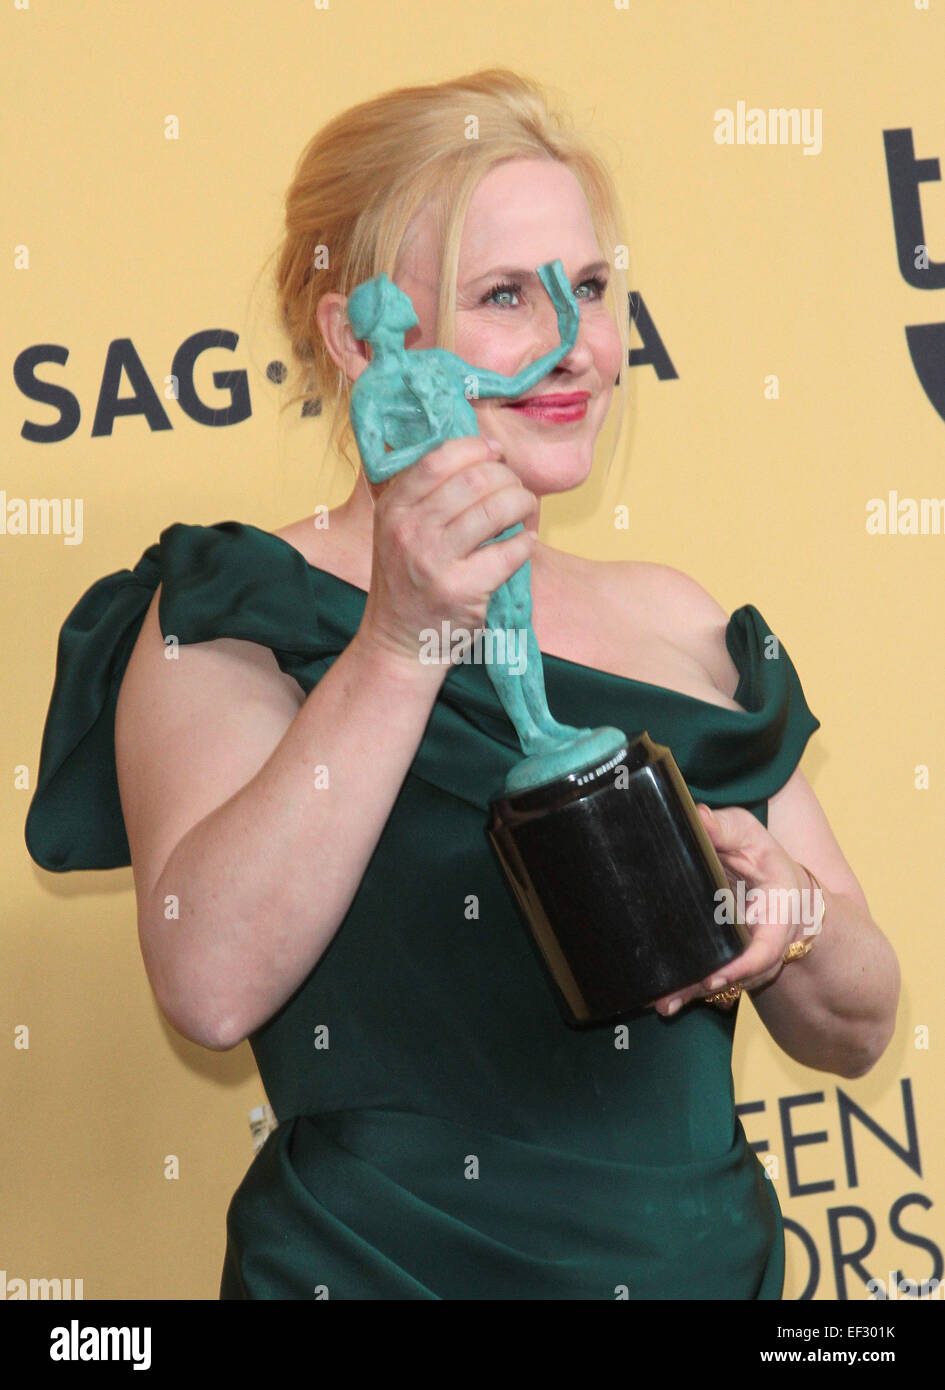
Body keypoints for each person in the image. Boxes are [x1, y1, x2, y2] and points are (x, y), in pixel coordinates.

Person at [24, 68, 900, 1300]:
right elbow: (209, 985)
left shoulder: (680, 619)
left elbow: (859, 1025)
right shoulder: (239, 607)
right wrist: (402, 637)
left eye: (588, 289)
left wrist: (789, 916)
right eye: (501, 296)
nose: (574, 343)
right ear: (359, 337)